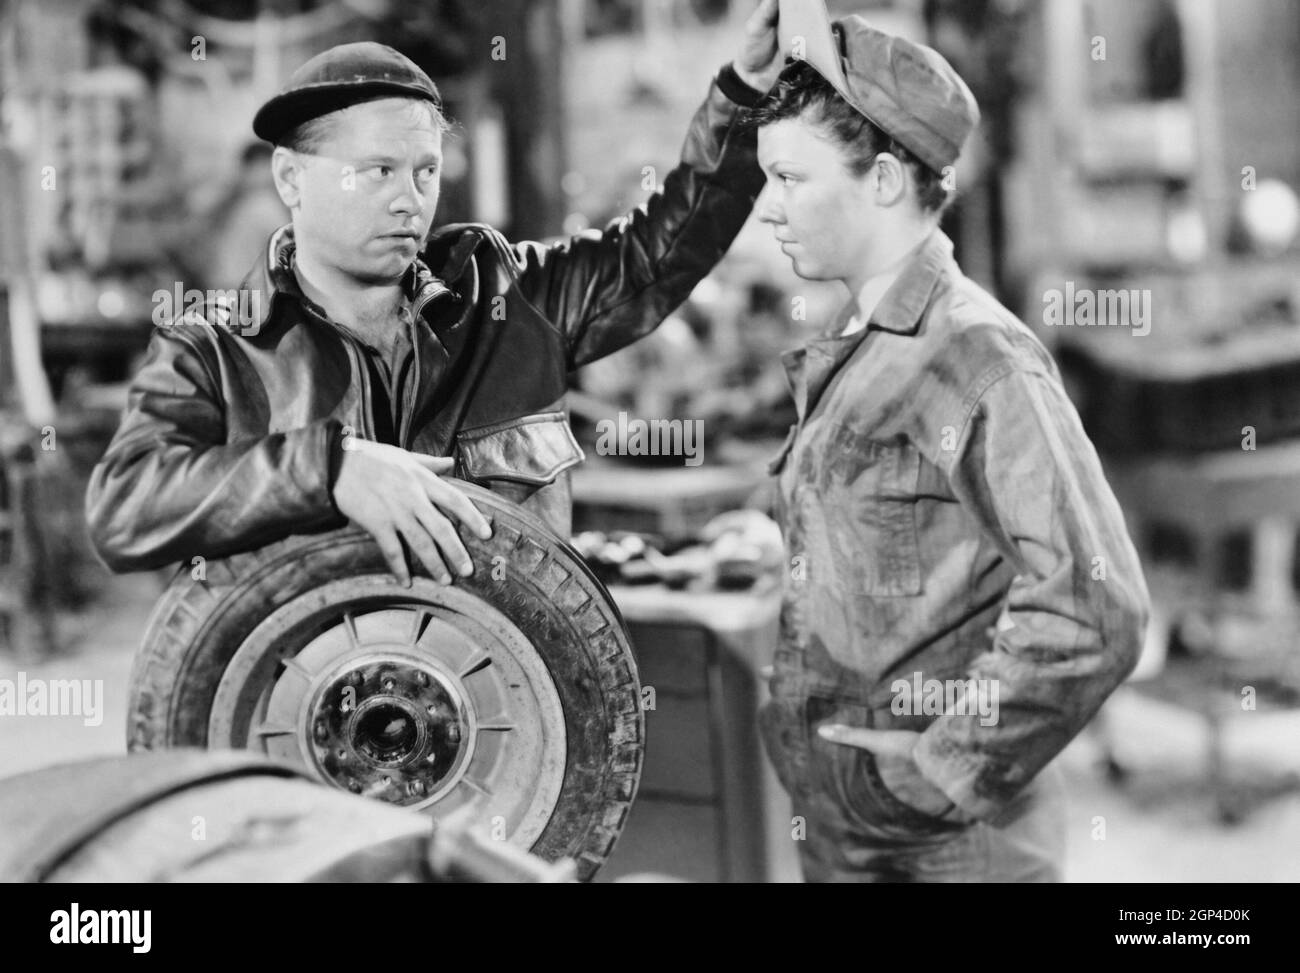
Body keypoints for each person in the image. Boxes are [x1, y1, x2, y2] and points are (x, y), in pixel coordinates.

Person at [86, 4, 784, 585]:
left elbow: (656, 255)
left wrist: (746, 96)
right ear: (291, 179)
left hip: (504, 707)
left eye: (424, 172)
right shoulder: (213, 347)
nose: (408, 201)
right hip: (300, 718)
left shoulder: (507, 295)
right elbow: (126, 506)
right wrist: (326, 469)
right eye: (378, 171)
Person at [749, 14, 1149, 882]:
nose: (768, 205)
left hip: (945, 851)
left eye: (788, 177)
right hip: (857, 830)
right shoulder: (869, 343)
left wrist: (933, 774)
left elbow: (1099, 609)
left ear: (885, 179)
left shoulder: (975, 353)